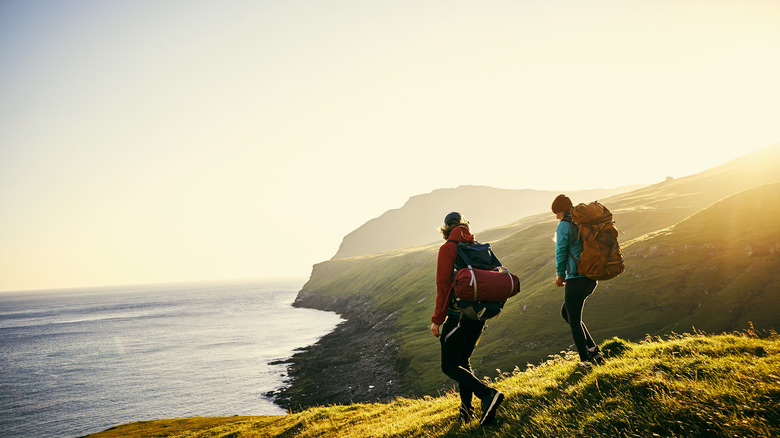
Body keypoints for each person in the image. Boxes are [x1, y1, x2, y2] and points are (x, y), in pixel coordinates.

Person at [430, 212, 504, 426]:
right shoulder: (478, 246)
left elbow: (443, 286)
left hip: (458, 316)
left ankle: (487, 394)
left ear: (446, 229)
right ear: (465, 226)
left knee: (449, 366)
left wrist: (437, 319)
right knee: (463, 361)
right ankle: (466, 412)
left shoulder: (447, 249)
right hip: (480, 314)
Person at [551, 195, 604, 366]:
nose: (556, 217)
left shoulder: (564, 226)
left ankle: (585, 361)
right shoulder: (582, 223)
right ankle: (593, 351)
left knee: (573, 319)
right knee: (567, 313)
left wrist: (560, 275)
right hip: (591, 277)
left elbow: (561, 252)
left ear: (560, 210)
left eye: (556, 213)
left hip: (576, 278)